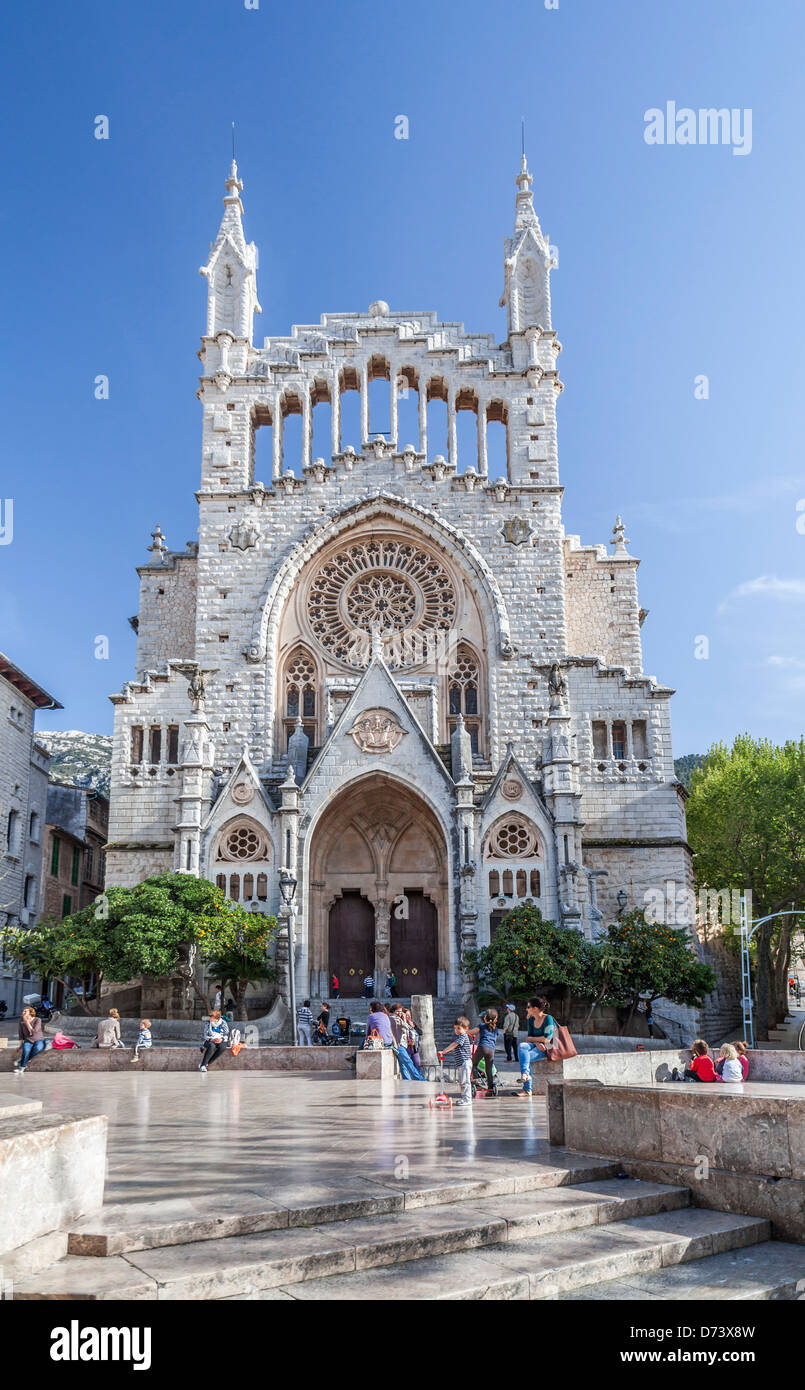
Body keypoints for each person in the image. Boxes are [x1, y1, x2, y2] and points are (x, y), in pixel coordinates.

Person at [515, 996, 557, 1097]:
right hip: (536, 1045)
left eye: (528, 1007)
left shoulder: (548, 1019)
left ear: (535, 1008)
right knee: (522, 1046)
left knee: (525, 1056)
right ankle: (525, 1075)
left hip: (547, 1048)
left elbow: (547, 1039)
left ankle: (527, 1089)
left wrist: (537, 1041)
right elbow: (528, 1038)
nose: (526, 1009)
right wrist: (537, 1043)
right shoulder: (530, 1020)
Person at [441, 1016, 473, 1106]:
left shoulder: (463, 1036)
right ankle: (464, 1098)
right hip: (461, 1063)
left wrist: (444, 1051)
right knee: (462, 1082)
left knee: (465, 1081)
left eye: (459, 1028)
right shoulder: (460, 1037)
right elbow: (455, 1047)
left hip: (465, 1063)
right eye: (455, 1028)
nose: (456, 1030)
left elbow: (454, 1044)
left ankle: (467, 1099)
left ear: (466, 1029)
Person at [469, 1009, 499, 1097]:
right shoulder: (496, 1029)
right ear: (495, 1019)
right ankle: (490, 1088)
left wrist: (464, 1032)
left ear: (485, 1017)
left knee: (473, 1064)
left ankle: (476, 1082)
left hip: (483, 1047)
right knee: (488, 1069)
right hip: (491, 1050)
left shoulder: (482, 1025)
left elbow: (472, 1032)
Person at [14, 1006, 46, 1073]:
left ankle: (21, 1060)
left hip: (39, 1040)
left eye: (26, 1011)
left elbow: (34, 1032)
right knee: (26, 1050)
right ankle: (22, 1068)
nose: (23, 1012)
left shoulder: (37, 1020)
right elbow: (21, 1034)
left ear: (30, 1012)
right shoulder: (21, 1021)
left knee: (38, 1048)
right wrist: (20, 1046)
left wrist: (27, 1022)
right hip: (28, 1040)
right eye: (23, 1011)